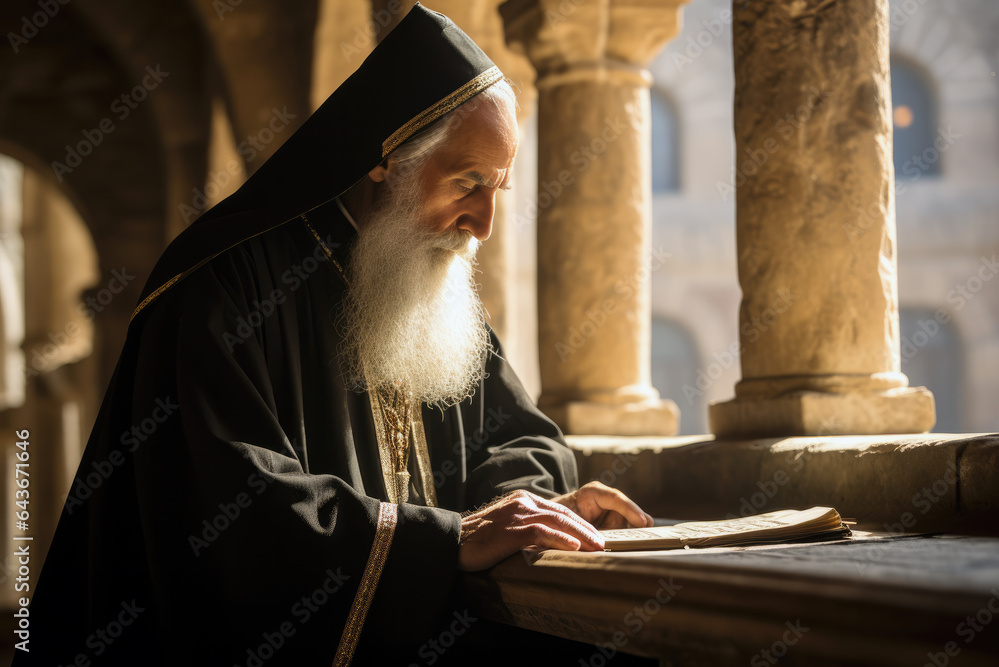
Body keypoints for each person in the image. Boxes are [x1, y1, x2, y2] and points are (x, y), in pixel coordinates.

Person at [17, 4, 655, 665]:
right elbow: (235, 516)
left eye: (498, 188)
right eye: (469, 181)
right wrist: (445, 540)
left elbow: (524, 434)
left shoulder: (427, 277)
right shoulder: (222, 283)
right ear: (385, 156)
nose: (484, 222)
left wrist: (517, 507)